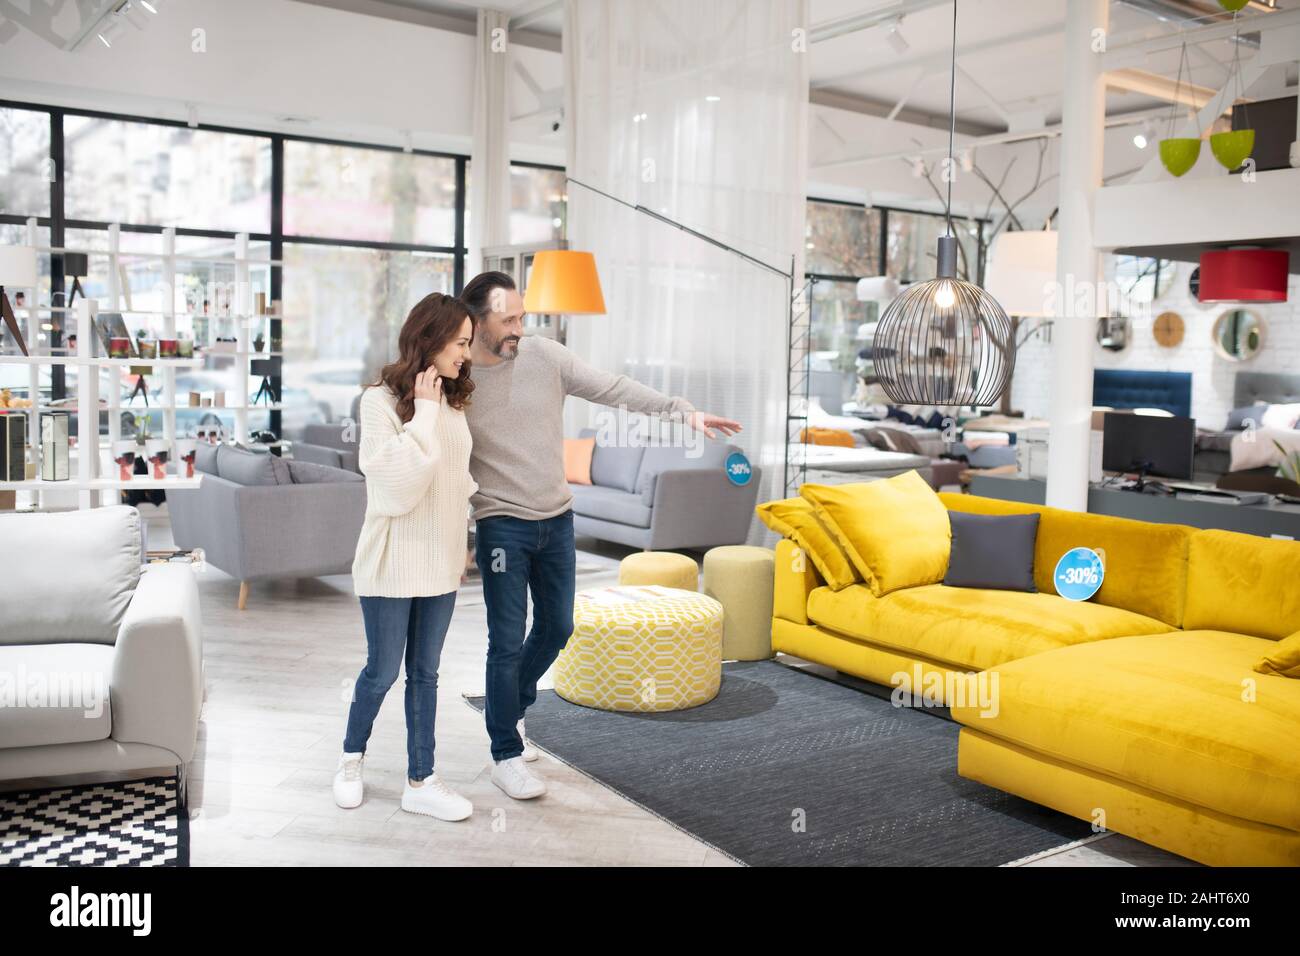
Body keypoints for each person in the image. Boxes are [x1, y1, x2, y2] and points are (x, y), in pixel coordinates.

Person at [460, 271, 741, 800]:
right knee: (504, 641)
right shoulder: (459, 378)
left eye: (523, 315)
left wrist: (684, 411)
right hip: (501, 524)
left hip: (557, 519)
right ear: (476, 321)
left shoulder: (545, 356)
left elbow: (614, 388)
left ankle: (508, 710)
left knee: (558, 627)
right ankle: (505, 752)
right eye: (510, 319)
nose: (522, 327)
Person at [333, 293, 478, 822]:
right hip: (391, 560)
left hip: (439, 561)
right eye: (460, 342)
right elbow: (395, 487)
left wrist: (462, 543)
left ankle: (422, 778)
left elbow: (456, 480)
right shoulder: (378, 401)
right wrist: (424, 416)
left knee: (426, 673)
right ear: (431, 339)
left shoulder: (456, 399)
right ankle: (351, 759)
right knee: (382, 670)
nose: (465, 353)